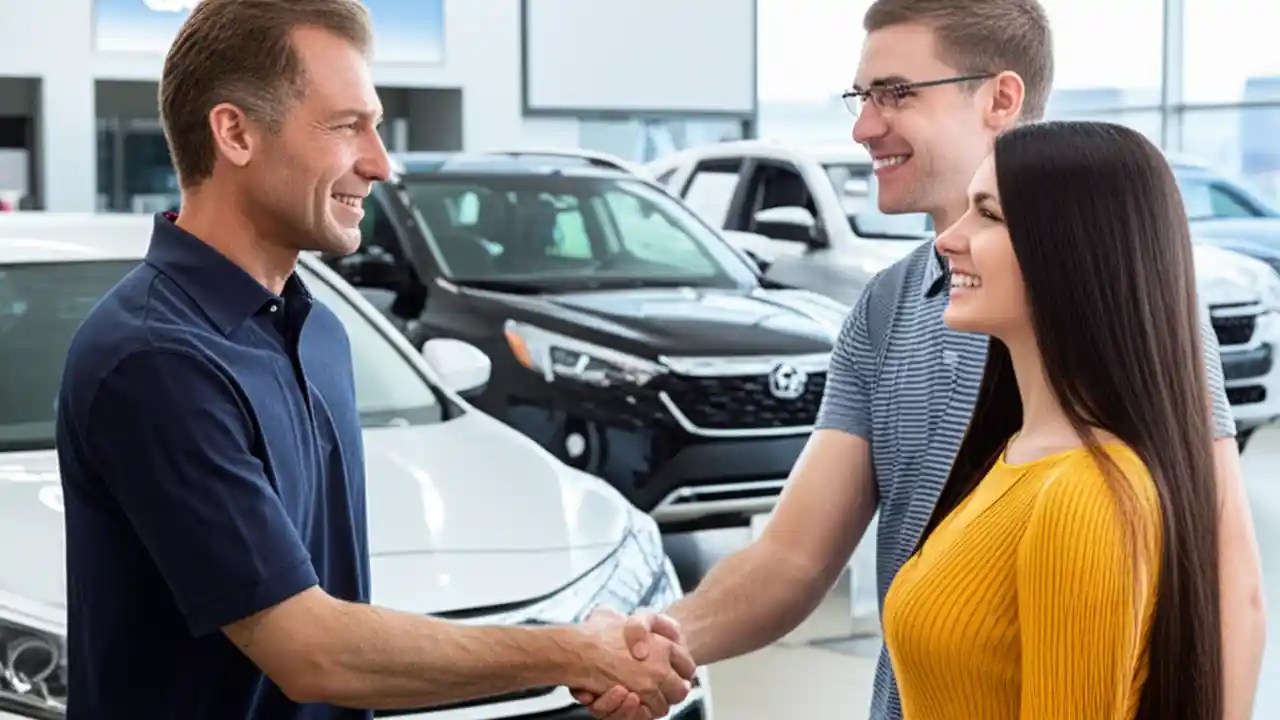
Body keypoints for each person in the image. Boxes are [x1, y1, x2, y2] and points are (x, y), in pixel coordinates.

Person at [575, 1, 1266, 718]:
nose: (864, 125)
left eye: (895, 93)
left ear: (1000, 97)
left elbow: (1225, 583)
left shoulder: (1123, 325)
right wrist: (652, 644)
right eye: (862, 96)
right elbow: (792, 559)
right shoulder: (884, 309)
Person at [54, 1, 693, 718]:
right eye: (345, 126)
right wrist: (575, 651)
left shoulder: (317, 330)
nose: (380, 163)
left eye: (377, 126)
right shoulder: (154, 358)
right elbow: (311, 650)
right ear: (234, 132)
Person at [883, 119, 1221, 719]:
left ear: (1071, 248)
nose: (948, 239)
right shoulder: (1015, 455)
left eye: (987, 214)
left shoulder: (1084, 494)